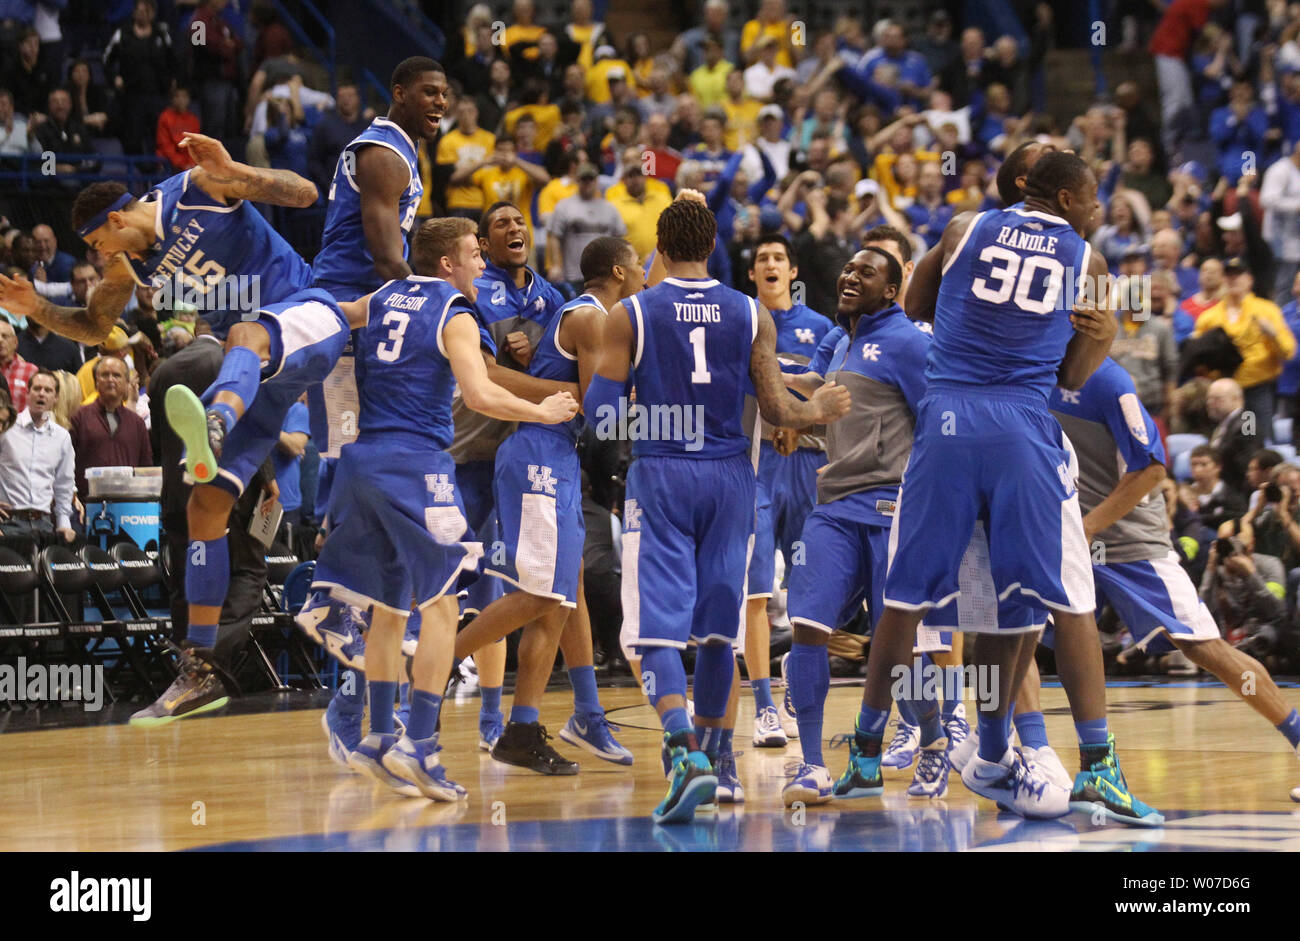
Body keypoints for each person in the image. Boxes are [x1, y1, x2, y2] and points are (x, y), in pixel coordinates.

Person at [856, 151, 1163, 825]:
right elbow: (1074, 376)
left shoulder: (964, 228)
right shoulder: (1085, 259)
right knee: (1059, 601)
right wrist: (1103, 335)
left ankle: (897, 746)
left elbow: (912, 310)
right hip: (1021, 429)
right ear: (1053, 193)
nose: (1098, 211)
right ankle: (1087, 762)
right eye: (1091, 199)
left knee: (934, 605)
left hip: (943, 430)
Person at [0, 132, 347, 719]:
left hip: (304, 316)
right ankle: (203, 669)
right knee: (204, 509)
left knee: (251, 347)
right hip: (255, 371)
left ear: (115, 219)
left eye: (96, 243)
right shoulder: (129, 262)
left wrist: (238, 170)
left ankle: (214, 419)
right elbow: (92, 325)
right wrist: (36, 311)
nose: (96, 255)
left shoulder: (198, 187)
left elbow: (306, 191)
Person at [583, 197, 849, 823]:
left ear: (660, 245)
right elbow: (780, 407)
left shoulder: (632, 313)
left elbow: (599, 417)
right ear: (712, 248)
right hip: (734, 478)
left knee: (653, 631)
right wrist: (818, 411)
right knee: (717, 634)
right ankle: (719, 762)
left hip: (664, 476)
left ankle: (684, 749)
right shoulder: (751, 311)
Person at [308, 217, 577, 800]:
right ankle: (421, 746)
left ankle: (379, 735)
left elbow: (332, 317)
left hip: (360, 464)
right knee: (442, 608)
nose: (483, 265)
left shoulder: (382, 295)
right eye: (473, 256)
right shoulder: (454, 312)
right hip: (416, 466)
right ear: (448, 265)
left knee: (385, 606)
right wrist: (545, 410)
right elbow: (479, 393)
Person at [303, 57, 451, 763]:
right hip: (343, 324)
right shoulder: (383, 151)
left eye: (447, 94)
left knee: (378, 502)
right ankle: (340, 655)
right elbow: (381, 244)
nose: (440, 102)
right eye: (428, 91)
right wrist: (428, 296)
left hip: (369, 329)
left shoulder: (402, 153)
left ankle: (356, 694)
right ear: (397, 92)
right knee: (349, 492)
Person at [452, 236, 644, 772]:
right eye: (639, 268)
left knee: (567, 592)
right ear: (619, 273)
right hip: (538, 455)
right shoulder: (592, 320)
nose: (646, 276)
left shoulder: (587, 316)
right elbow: (598, 408)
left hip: (552, 456)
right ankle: (434, 663)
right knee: (542, 595)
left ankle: (575, 716)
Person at [1048, 359, 1300, 764]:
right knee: (1016, 631)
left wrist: (1089, 526)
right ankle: (1005, 750)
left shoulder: (1110, 381)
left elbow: (1151, 470)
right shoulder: (1028, 363)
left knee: (1202, 647)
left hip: (1127, 539)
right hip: (1060, 532)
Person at [742, 234, 832, 748]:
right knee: (756, 591)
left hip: (807, 468)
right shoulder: (741, 321)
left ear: (792, 271)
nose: (770, 264)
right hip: (756, 470)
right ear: (752, 273)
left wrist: (794, 419)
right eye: (761, 258)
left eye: (778, 257)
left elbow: (827, 391)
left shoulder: (820, 327)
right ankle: (762, 707)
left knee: (806, 590)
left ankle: (796, 682)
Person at [1193, 257, 1295, 444]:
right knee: (1222, 444)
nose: (1233, 280)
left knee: (1257, 442)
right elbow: (1196, 357)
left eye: (1238, 275)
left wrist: (1272, 334)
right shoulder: (1210, 317)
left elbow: (1288, 351)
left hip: (1255, 390)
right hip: (1221, 392)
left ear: (1249, 279)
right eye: (1229, 275)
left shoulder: (1267, 310)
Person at [0, 369, 75, 546]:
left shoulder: (62, 437)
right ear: (27, 393)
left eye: (48, 390)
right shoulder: (7, 429)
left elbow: (64, 484)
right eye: (37, 388)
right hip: (8, 523)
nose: (42, 394)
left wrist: (64, 524)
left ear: (56, 398)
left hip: (44, 525)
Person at [68, 354, 152, 499]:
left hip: (128, 507)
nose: (111, 380)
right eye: (105, 375)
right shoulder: (79, 417)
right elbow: (67, 463)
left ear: (127, 383)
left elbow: (145, 468)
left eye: (117, 375)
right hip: (87, 504)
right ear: (96, 382)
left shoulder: (137, 423)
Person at [0, 318, 36, 412]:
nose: (0, 340)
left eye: (5, 336)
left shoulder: (31, 371)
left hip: (21, 425)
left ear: (15, 342)